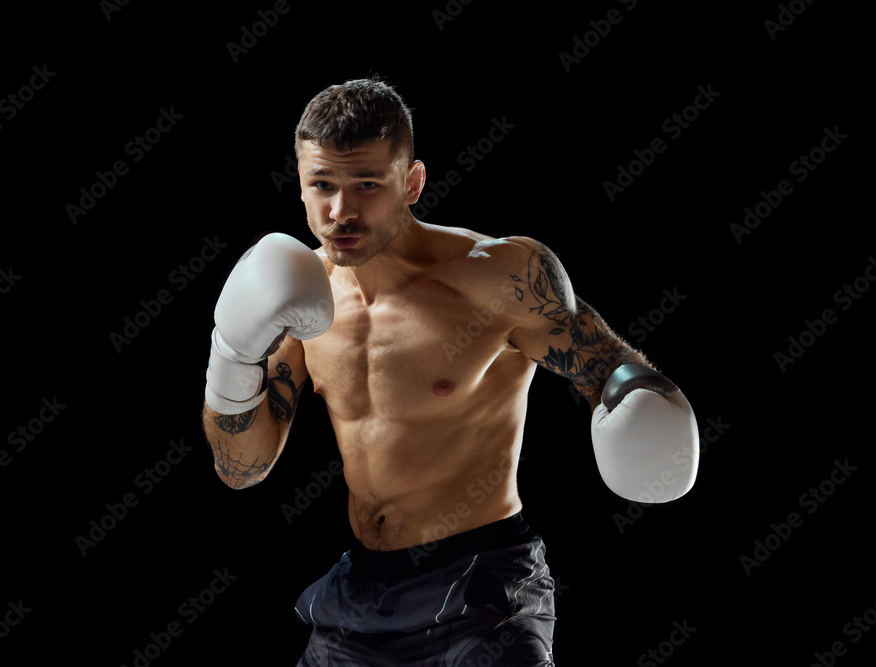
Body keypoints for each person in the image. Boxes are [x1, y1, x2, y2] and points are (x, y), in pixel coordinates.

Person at [201, 76, 699, 666]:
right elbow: (242, 468)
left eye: (367, 184)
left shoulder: (499, 277)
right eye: (323, 185)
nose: (341, 211)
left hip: (484, 588)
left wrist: (639, 396)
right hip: (361, 595)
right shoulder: (299, 301)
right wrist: (231, 356)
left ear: (412, 182)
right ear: (301, 187)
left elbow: (610, 369)